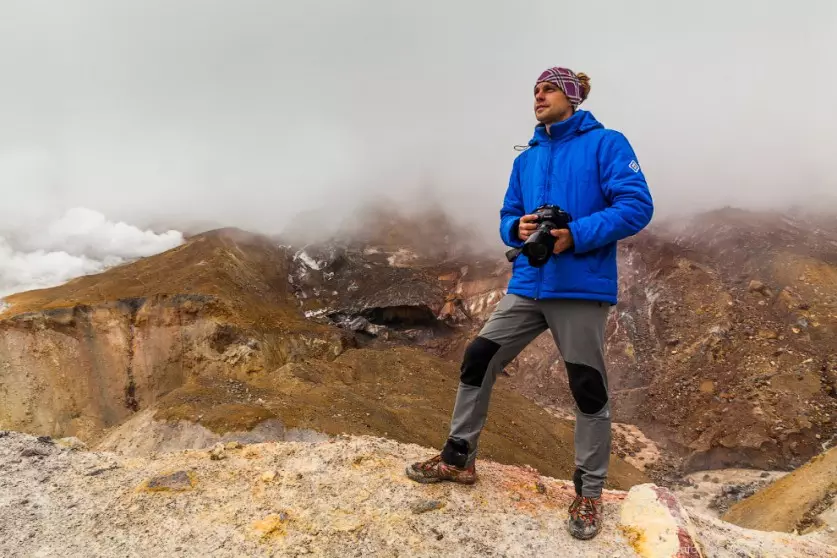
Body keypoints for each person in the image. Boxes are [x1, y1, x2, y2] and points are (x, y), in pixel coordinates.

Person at [405, 67, 654, 540]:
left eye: (549, 89)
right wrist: (515, 229)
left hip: (579, 286)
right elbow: (507, 215)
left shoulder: (607, 144)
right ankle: (458, 460)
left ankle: (589, 493)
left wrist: (574, 235)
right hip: (528, 283)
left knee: (587, 387)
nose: (538, 96)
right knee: (479, 358)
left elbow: (636, 206)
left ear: (573, 97)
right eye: (535, 90)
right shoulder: (528, 158)